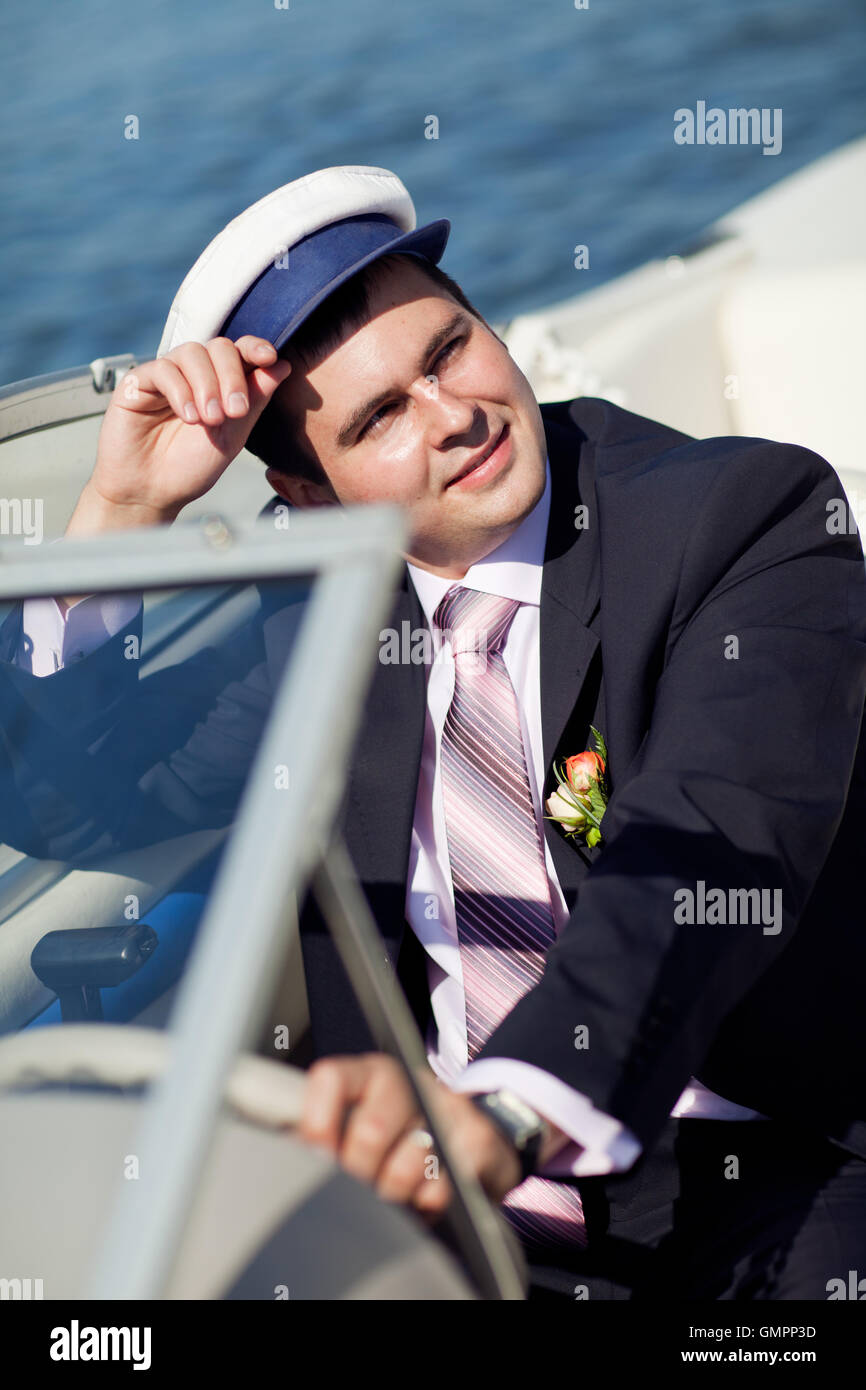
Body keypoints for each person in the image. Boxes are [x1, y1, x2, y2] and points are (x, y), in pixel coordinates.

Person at [4, 165, 866, 1300]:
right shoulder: (318, 606)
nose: (453, 415)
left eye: (449, 350)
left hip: (753, 1156)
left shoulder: (742, 515)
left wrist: (510, 1106)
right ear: (310, 498)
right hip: (432, 1180)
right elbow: (72, 803)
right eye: (379, 418)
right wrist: (124, 513)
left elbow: (702, 842)